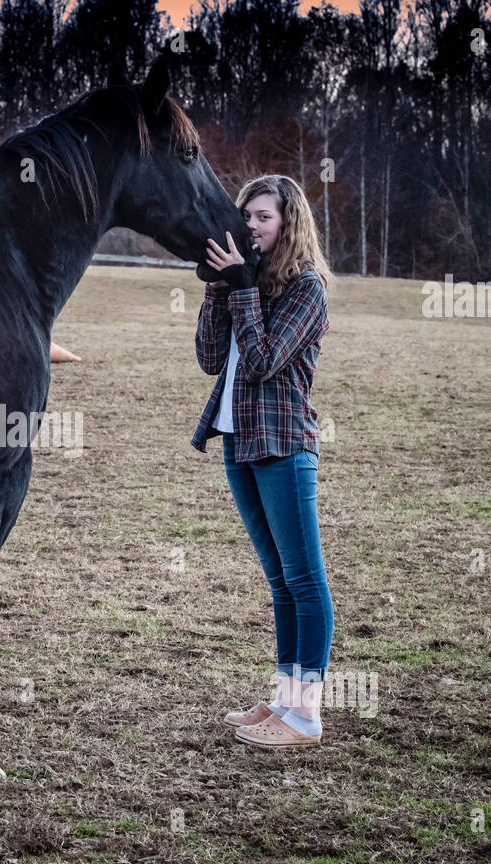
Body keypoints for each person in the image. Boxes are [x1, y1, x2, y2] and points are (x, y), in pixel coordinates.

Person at [190, 173, 335, 749]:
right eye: (245, 215)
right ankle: (284, 701)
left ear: (288, 223)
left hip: (283, 446)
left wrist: (243, 287)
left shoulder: (307, 289)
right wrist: (218, 287)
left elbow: (263, 361)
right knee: (279, 582)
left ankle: (305, 717)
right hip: (238, 442)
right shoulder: (246, 282)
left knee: (305, 579)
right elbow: (209, 359)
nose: (250, 226)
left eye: (263, 217)